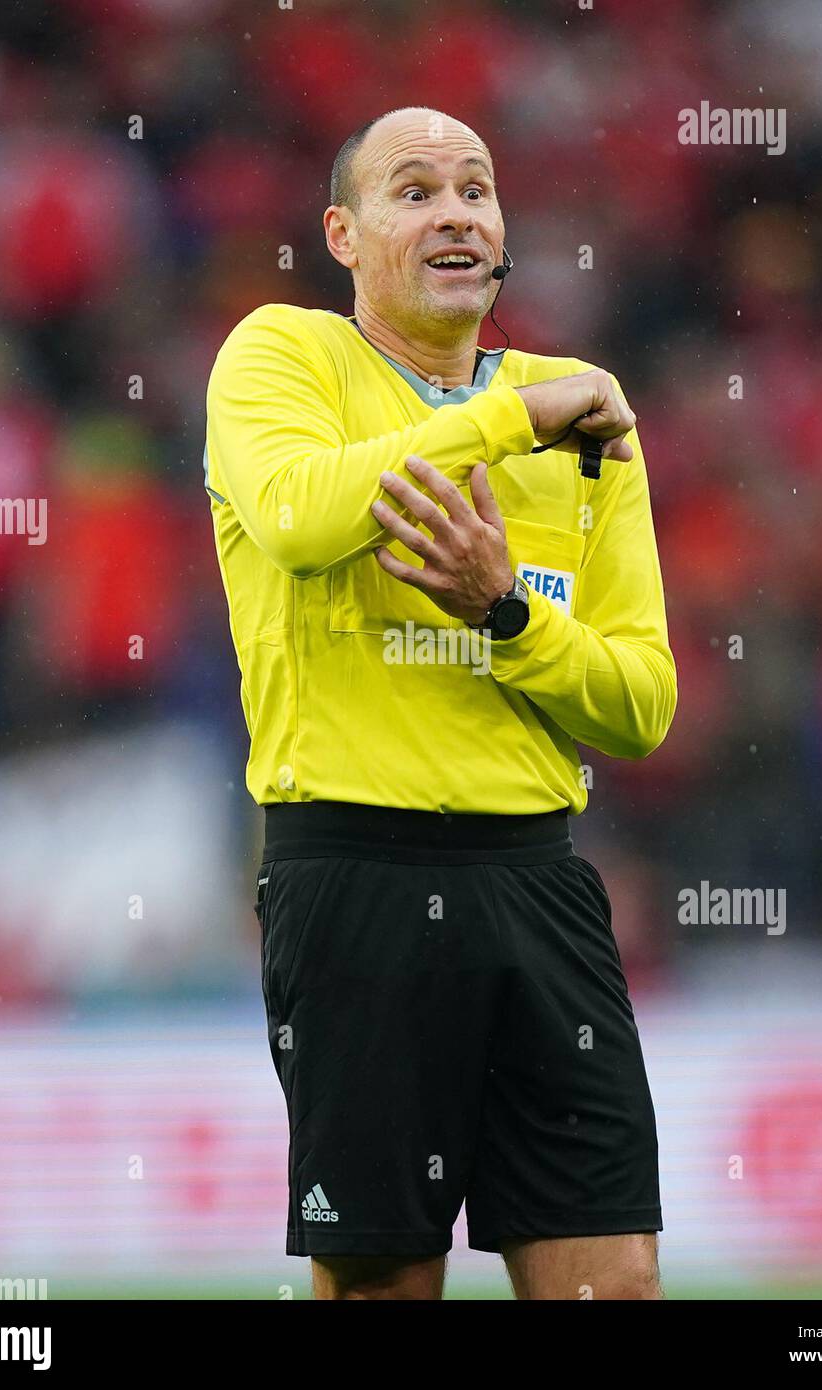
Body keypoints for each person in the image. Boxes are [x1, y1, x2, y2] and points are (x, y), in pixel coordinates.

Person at [204, 106, 677, 1300]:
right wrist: (511, 417)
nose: (457, 209)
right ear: (345, 236)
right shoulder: (283, 356)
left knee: (613, 1281)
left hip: (540, 883)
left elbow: (641, 705)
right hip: (354, 870)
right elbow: (306, 516)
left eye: (477, 187)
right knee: (386, 1285)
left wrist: (507, 614)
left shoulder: (585, 423)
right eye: (414, 191)